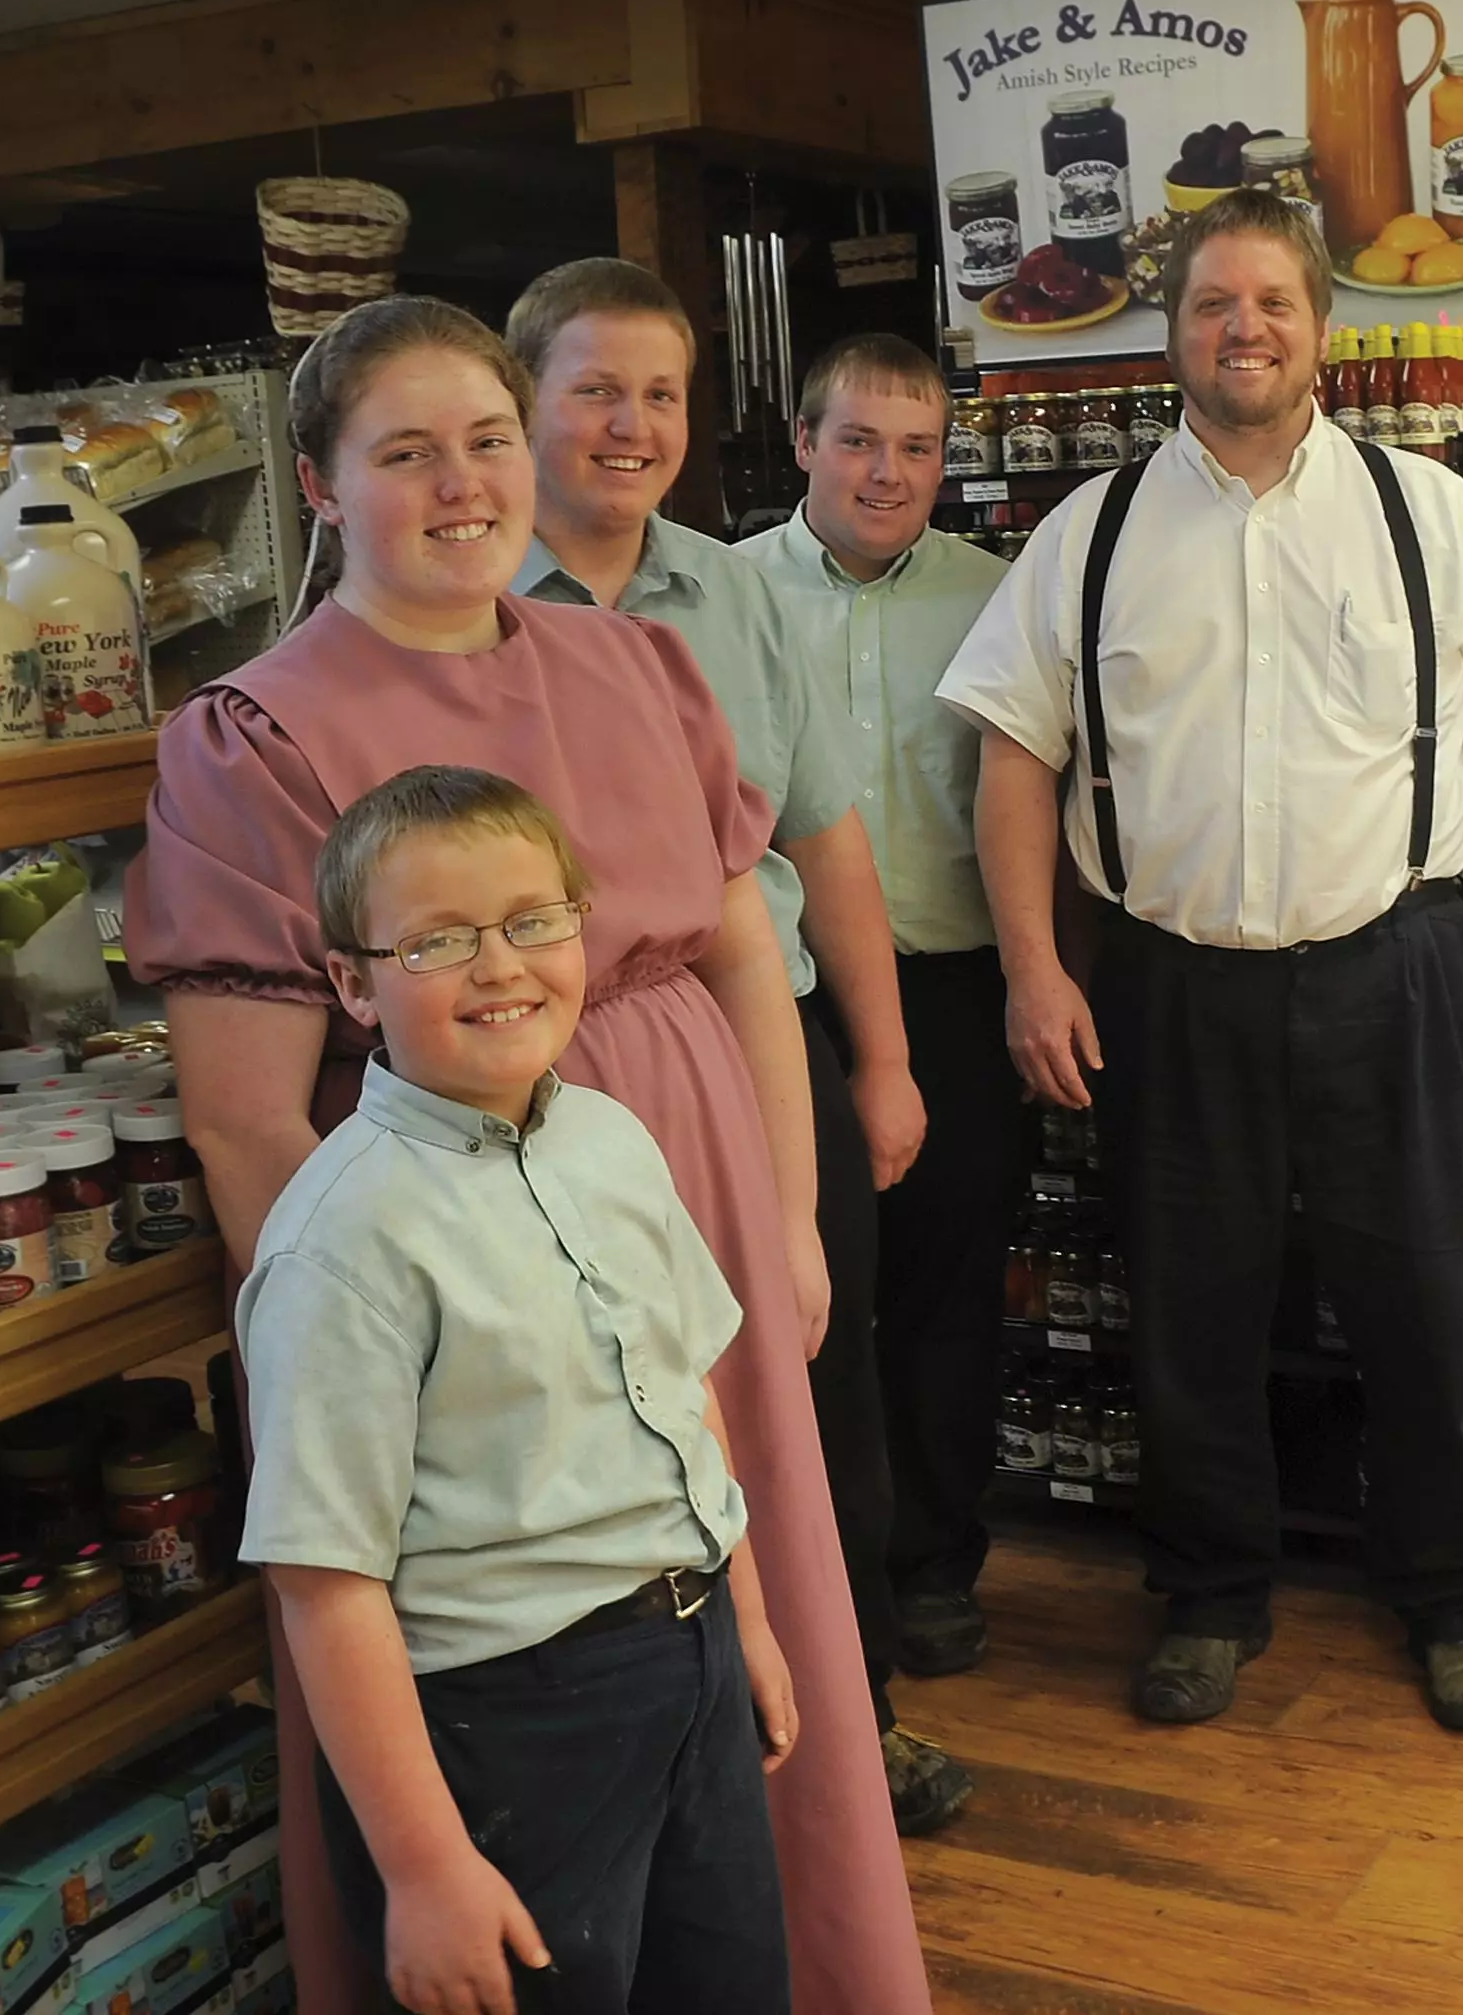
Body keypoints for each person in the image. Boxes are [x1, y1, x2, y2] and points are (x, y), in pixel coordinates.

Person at [124, 295, 930, 2013]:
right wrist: (370, 1387)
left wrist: (783, 1214)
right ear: (324, 485)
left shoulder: (636, 662)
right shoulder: (253, 734)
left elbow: (736, 949)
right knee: (520, 1696)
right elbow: (249, 1111)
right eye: (405, 452)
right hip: (442, 1272)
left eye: (485, 439)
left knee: (733, 1607)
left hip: (682, 1173)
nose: (462, 483)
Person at [939, 188, 1463, 1733]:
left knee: (1431, 1300)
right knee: (1188, 1306)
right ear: (1172, 333)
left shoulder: (1428, 513)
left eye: (1274, 303)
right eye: (1216, 303)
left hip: (1406, 961)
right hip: (1172, 977)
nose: (1246, 328)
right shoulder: (1086, 535)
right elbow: (1015, 766)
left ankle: (1453, 1597)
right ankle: (1209, 1593)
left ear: (1323, 329)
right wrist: (1036, 966)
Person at [504, 258, 969, 1837]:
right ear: (524, 404)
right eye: (594, 389)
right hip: (556, 1082)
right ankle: (674, 1744)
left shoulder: (739, 590)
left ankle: (857, 1720)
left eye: (660, 395)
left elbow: (827, 847)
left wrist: (884, 1061)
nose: (631, 426)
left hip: (760, 1047)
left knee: (816, 1387)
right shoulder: (471, 604)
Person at [245, 765, 793, 2015]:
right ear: (353, 983)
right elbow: (325, 1586)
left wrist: (742, 1622)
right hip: (508, 1722)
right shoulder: (345, 1241)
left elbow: (684, 1402)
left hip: (688, 1656)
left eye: (533, 920)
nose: (500, 966)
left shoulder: (611, 1139)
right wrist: (427, 1866)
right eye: (438, 940)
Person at [734, 334, 1022, 1687]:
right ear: (802, 442)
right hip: (775, 1004)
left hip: (955, 995)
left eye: (917, 446)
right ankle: (815, 1580)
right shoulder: (717, 597)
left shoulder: (998, 598)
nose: (887, 471)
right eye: (857, 438)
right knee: (795, 1299)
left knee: (947, 1298)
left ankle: (935, 1570)